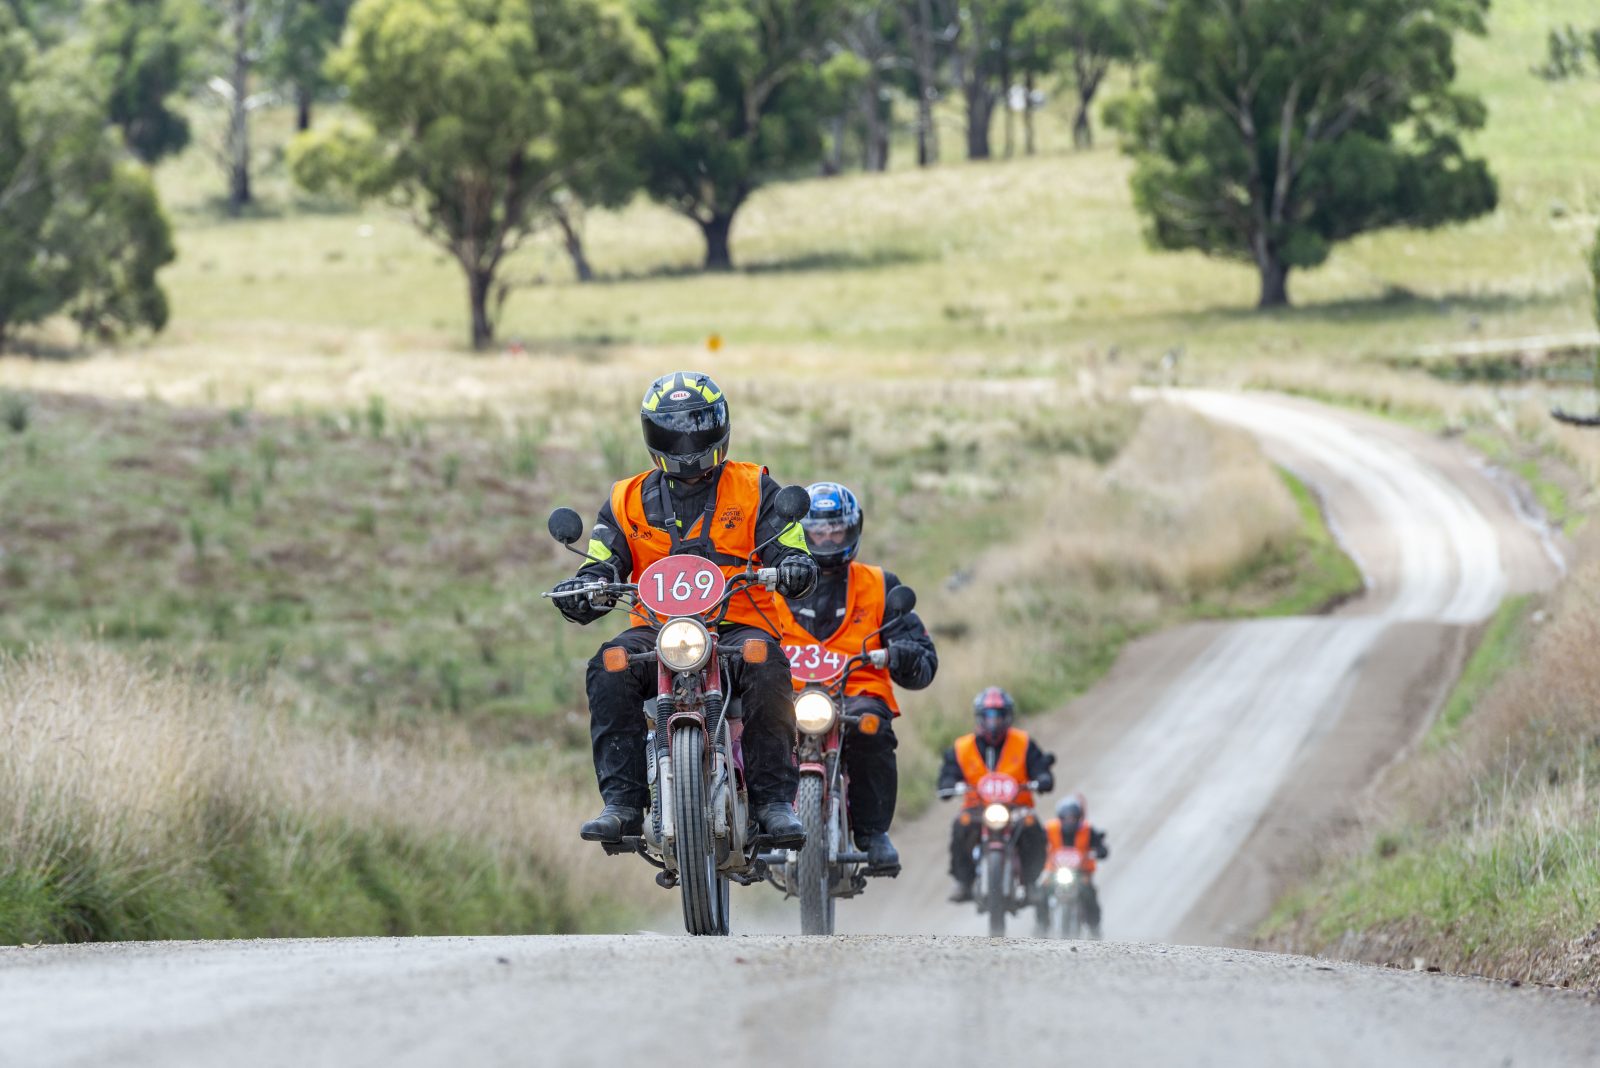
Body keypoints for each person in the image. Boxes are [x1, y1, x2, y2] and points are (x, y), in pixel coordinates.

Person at [551, 371, 818, 848]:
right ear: (651, 434)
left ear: (720, 425)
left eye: (697, 426)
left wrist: (795, 565)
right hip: (656, 629)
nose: (687, 441)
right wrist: (585, 587)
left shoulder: (756, 487)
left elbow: (789, 544)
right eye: (672, 429)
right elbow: (602, 560)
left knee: (766, 662)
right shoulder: (624, 499)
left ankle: (774, 802)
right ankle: (623, 804)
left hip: (738, 624)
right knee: (609, 665)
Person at [774, 482, 938, 876]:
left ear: (853, 530)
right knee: (757, 724)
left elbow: (922, 655)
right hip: (786, 693)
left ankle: (873, 832)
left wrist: (903, 653)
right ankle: (758, 819)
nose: (828, 539)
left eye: (836, 530)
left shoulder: (880, 584)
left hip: (857, 693)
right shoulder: (775, 580)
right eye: (818, 531)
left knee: (871, 728)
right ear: (801, 533)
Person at [938, 686, 1055, 903]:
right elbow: (949, 772)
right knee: (961, 826)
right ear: (980, 718)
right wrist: (948, 784)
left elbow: (1039, 767)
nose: (994, 721)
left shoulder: (1023, 743)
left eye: (999, 715)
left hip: (1017, 808)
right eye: (989, 716)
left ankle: (1031, 883)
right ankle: (964, 882)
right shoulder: (962, 747)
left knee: (1032, 827)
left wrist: (1042, 778)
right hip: (976, 808)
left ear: (1008, 717)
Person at [1044, 793, 1109, 937]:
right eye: (1066, 818)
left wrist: (1100, 851)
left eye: (1073, 818)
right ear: (1060, 818)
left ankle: (1094, 929)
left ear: (1079, 818)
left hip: (1081, 874)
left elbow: (1101, 847)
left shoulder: (1088, 830)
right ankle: (1041, 926)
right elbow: (1037, 842)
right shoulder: (1050, 829)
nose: (1070, 821)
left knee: (1090, 896)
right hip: (1055, 872)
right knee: (1042, 893)